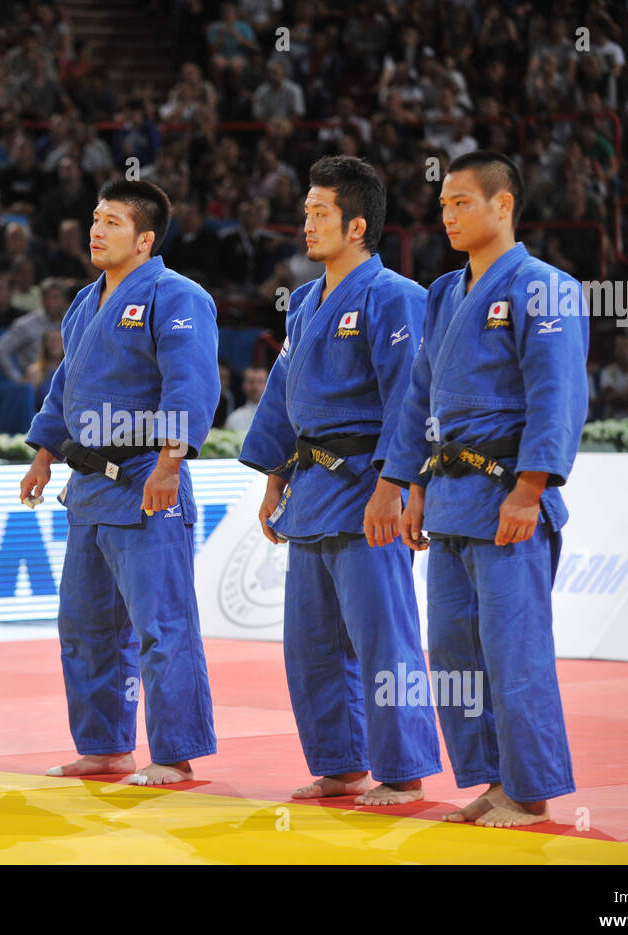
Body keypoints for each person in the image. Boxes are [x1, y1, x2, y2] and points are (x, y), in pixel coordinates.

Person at [382, 151, 589, 827]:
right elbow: (418, 397)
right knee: (456, 656)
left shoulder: (545, 286)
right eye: (442, 205)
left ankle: (530, 789)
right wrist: (409, 485)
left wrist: (531, 488)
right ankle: (495, 778)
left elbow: (557, 395)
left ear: (503, 205)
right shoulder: (443, 292)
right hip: (447, 499)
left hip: (507, 493)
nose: (447, 215)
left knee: (514, 650)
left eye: (462, 202)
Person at [239, 156, 440, 804]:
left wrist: (395, 484)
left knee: (384, 638)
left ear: (356, 225)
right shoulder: (303, 302)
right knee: (313, 644)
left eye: (319, 212)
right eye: (305, 213)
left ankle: (402, 770)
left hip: (366, 487)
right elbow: (281, 397)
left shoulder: (396, 297)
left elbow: (412, 402)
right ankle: (340, 762)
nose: (306, 224)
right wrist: (275, 473)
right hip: (313, 490)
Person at [20, 180, 220, 786]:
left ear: (145, 238)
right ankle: (105, 746)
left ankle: (175, 753)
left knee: (162, 627)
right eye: (95, 218)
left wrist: (168, 464)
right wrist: (43, 452)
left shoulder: (176, 295)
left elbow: (190, 383)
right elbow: (64, 386)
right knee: (85, 628)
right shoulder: (87, 300)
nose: (96, 230)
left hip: (143, 479)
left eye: (111, 222)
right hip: (90, 488)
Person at [0, 277, 68, 383]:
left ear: (64, 300)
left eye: (55, 297)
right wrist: (19, 380)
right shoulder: (26, 325)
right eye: (46, 297)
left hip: (67, 381)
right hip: (36, 383)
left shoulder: (73, 323)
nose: (50, 302)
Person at [224, 364, 268, 432]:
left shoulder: (278, 417)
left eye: (260, 381)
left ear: (268, 384)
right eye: (251, 382)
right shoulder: (234, 418)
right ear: (243, 385)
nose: (255, 387)